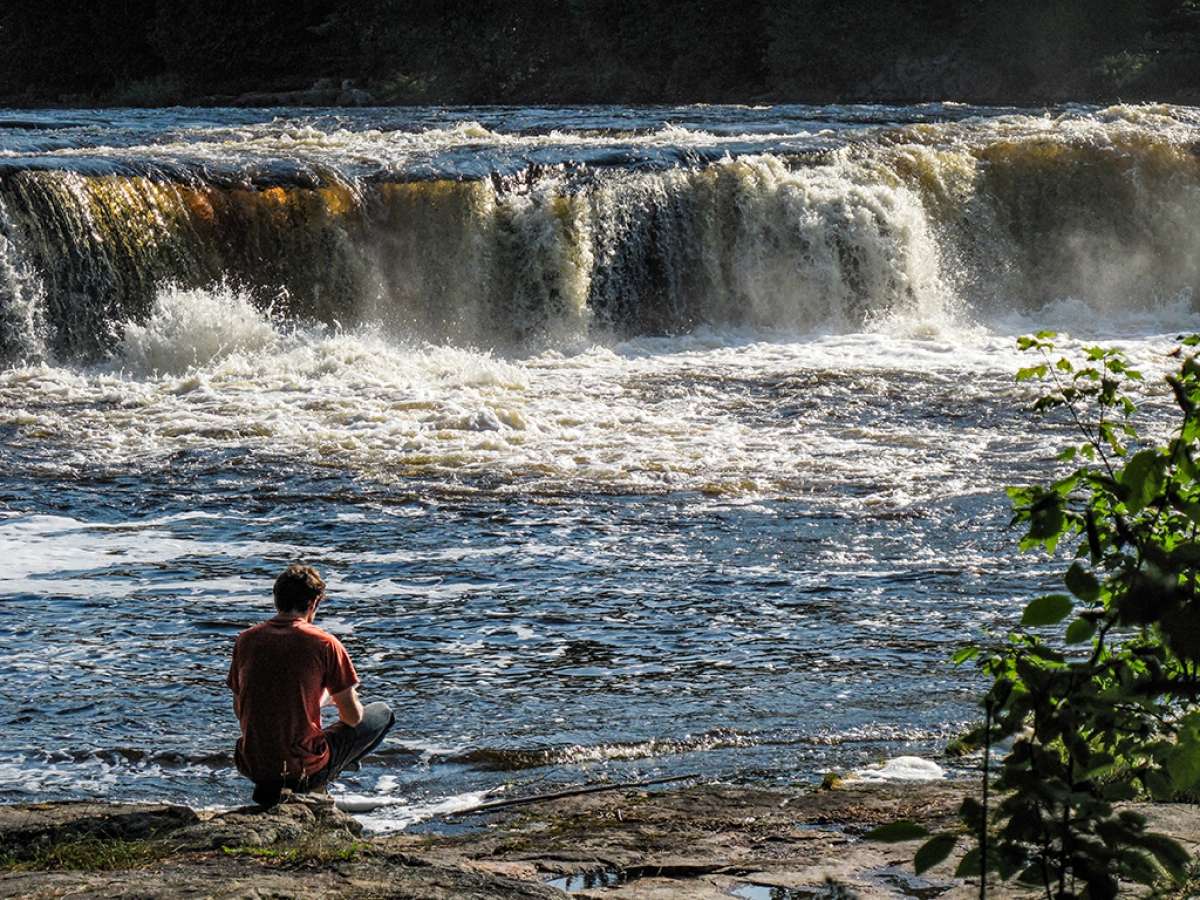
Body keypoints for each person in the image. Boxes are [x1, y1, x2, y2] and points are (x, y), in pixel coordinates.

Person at [227, 563, 394, 807]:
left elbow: (240, 707)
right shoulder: (325, 643)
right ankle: (316, 784)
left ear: (277, 599)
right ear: (314, 603)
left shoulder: (246, 640)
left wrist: (318, 699)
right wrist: (340, 697)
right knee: (382, 713)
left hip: (253, 765)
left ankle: (276, 787)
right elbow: (352, 718)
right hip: (300, 766)